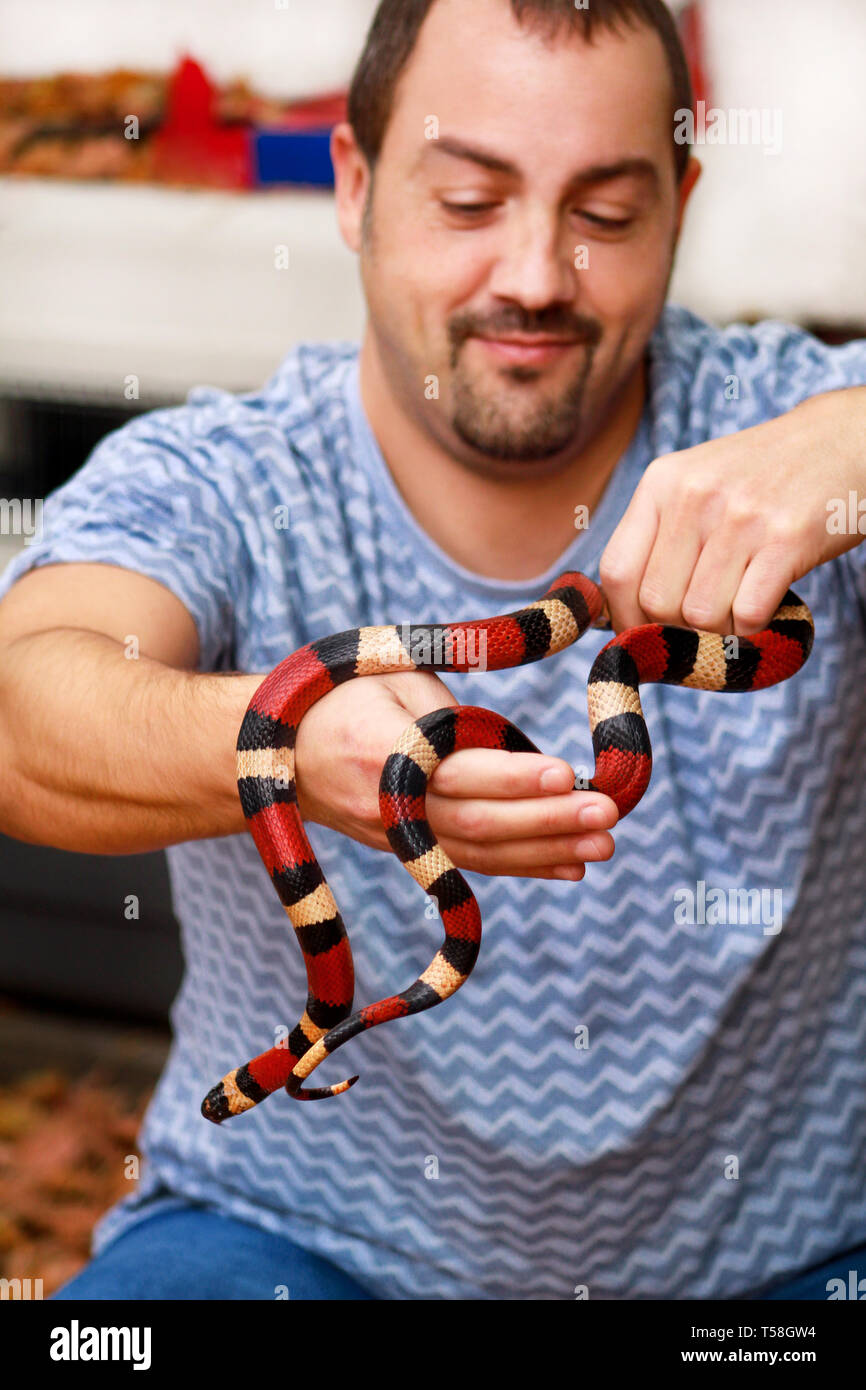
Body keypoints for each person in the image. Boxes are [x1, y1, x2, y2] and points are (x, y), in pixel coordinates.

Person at [1, 0, 865, 1301]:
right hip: (290, 1239)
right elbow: (24, 706)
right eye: (467, 202)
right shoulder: (227, 474)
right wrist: (288, 750)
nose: (531, 271)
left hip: (781, 1267)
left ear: (681, 201)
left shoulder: (780, 423)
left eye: (607, 213)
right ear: (351, 186)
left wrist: (857, 440)